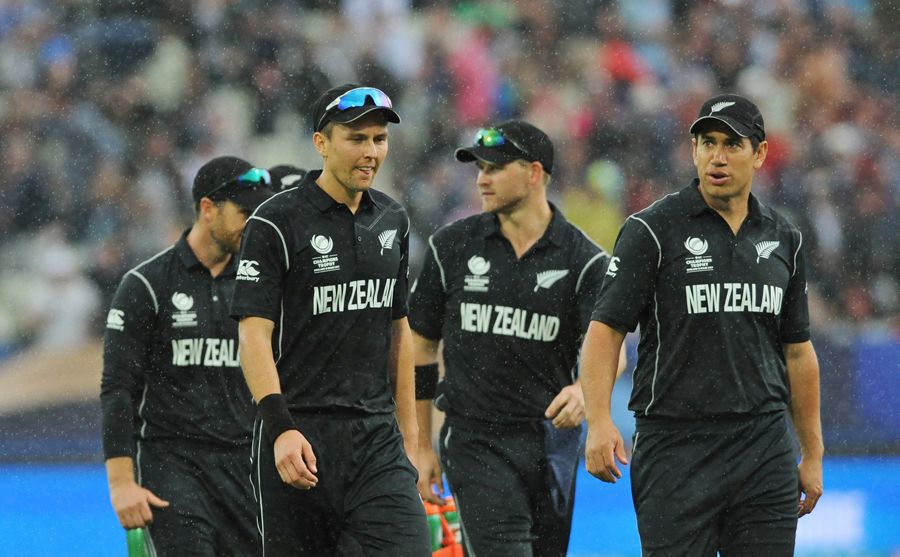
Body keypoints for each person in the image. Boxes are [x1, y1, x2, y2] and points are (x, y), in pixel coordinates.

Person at [581, 94, 824, 556]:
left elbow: (798, 351)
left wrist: (812, 453)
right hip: (675, 446)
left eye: (732, 144)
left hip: (763, 446)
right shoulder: (652, 230)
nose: (717, 156)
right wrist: (598, 421)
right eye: (707, 142)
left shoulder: (783, 238)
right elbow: (605, 331)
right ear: (693, 150)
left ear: (760, 154)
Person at [230, 84, 430, 556]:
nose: (371, 152)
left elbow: (398, 330)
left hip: (377, 441)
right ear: (321, 144)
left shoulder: (393, 221)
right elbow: (253, 336)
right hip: (301, 438)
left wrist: (411, 437)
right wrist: (280, 429)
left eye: (379, 139)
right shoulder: (274, 222)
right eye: (356, 139)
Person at [409, 120, 624, 556]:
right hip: (474, 440)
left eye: (495, 168)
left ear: (534, 173)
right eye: (479, 168)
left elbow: (611, 346)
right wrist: (419, 444)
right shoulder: (450, 248)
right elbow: (421, 346)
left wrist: (586, 390)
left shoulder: (584, 261)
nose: (481, 179)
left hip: (550, 447)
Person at [100, 156, 275, 556]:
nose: (254, 225)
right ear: (208, 209)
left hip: (247, 470)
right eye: (245, 213)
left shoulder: (263, 285)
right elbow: (118, 389)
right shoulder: (146, 285)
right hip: (172, 467)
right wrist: (121, 483)